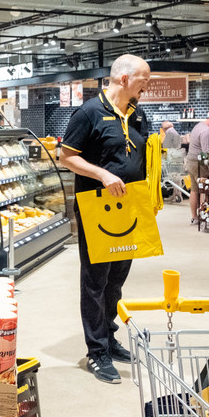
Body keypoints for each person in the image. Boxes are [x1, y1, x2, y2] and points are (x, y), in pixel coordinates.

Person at [58, 53, 152, 385]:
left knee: (117, 279)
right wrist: (102, 175)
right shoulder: (88, 113)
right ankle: (96, 351)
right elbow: (66, 156)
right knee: (95, 281)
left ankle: (109, 338)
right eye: (144, 78)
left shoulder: (136, 113)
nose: (147, 84)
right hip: (98, 210)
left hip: (131, 209)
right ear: (124, 78)